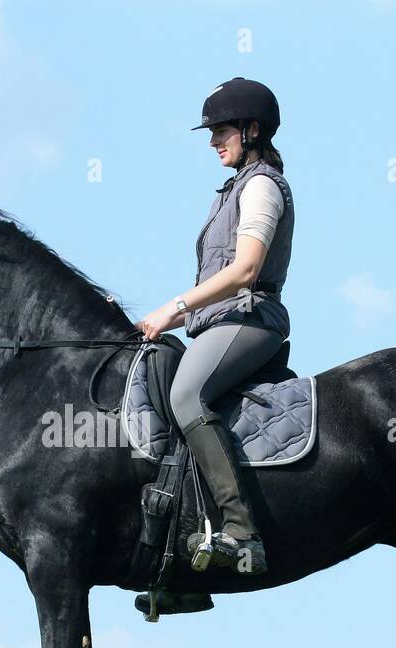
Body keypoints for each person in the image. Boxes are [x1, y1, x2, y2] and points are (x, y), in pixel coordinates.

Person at [136, 77, 295, 575]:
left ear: (251, 130)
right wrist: (165, 320)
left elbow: (245, 271)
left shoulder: (263, 186)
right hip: (217, 322)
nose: (212, 142)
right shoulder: (228, 192)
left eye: (221, 130)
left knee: (186, 397)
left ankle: (243, 533)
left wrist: (173, 305)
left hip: (253, 318)